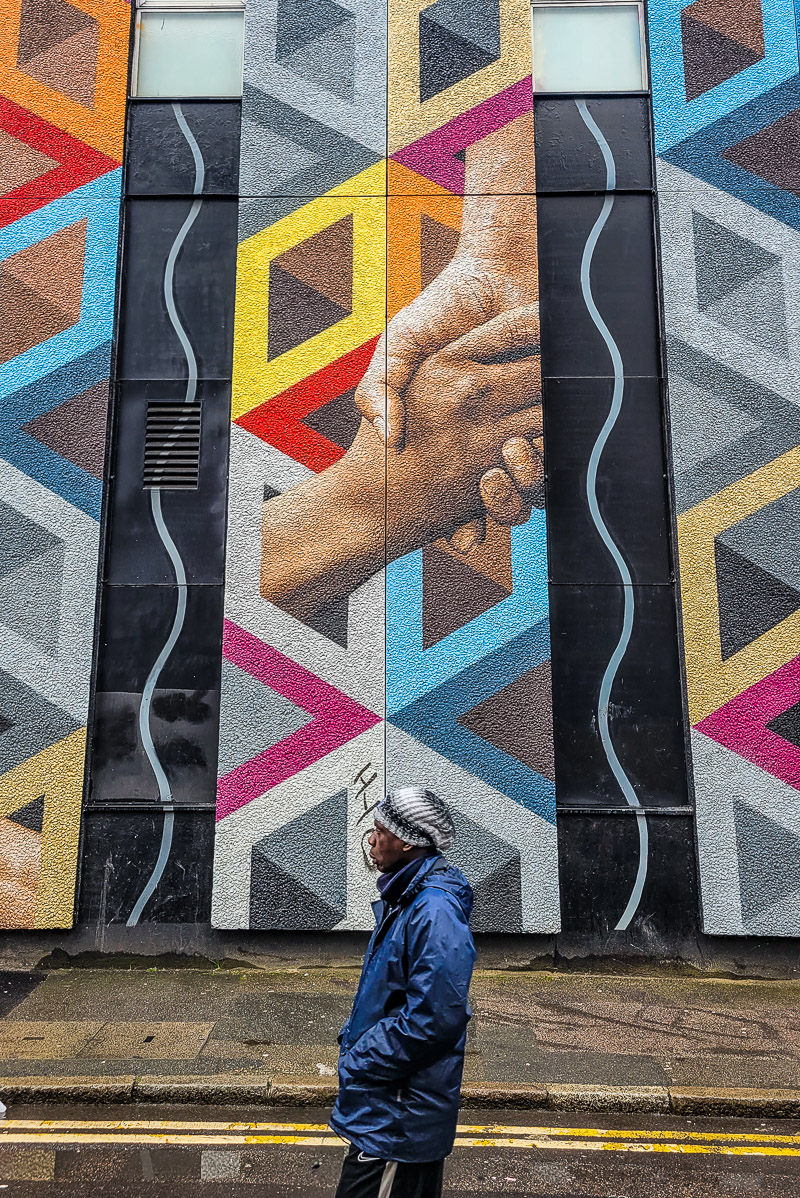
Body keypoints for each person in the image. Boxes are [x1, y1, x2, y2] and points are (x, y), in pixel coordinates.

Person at [330, 786, 475, 1198]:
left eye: (379, 830)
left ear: (407, 842)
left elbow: (434, 1019)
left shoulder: (434, 911)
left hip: (396, 1120)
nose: (372, 840)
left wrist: (359, 1061)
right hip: (389, 1112)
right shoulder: (408, 899)